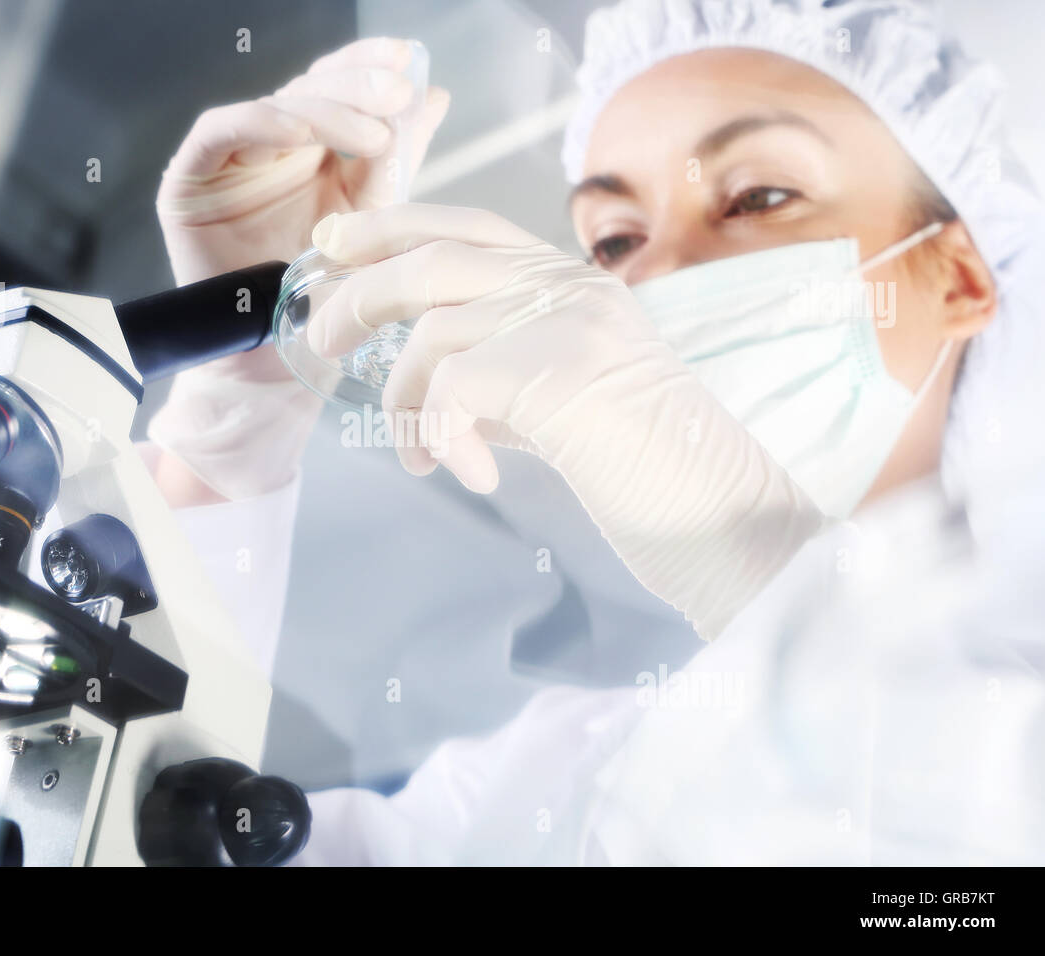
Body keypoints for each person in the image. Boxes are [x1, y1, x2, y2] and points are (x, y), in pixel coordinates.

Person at [145, 0, 1045, 864]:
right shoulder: (556, 773)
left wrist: (766, 559)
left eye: (760, 195)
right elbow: (141, 839)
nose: (657, 276)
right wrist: (243, 402)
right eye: (614, 242)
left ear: (959, 275)